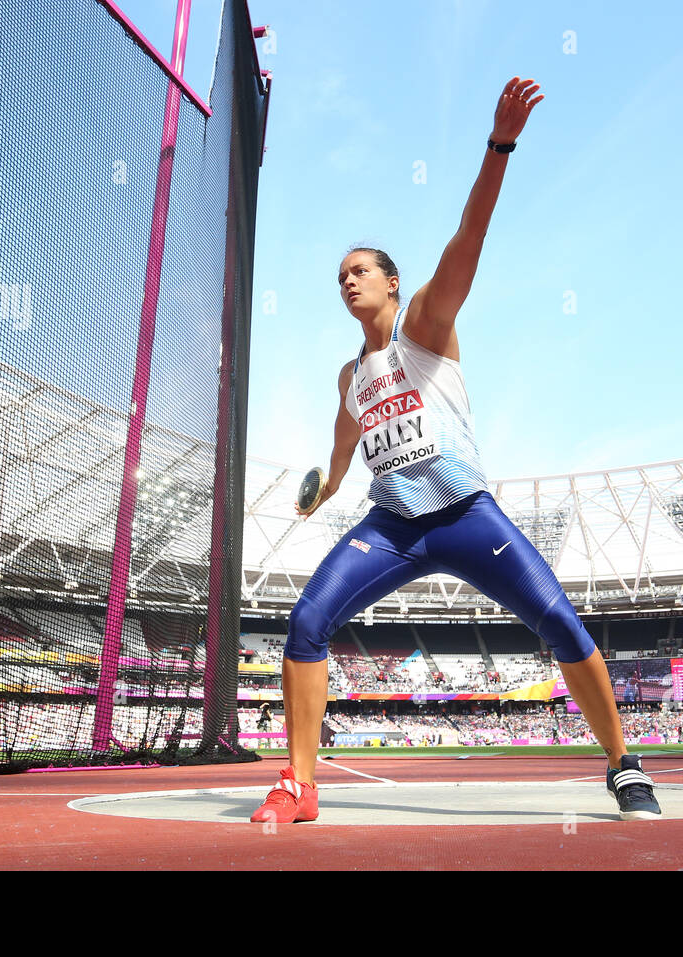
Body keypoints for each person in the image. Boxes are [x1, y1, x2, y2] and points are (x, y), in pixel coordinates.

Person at [251, 77, 660, 824]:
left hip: (467, 515)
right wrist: (323, 484)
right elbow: (343, 449)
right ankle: (301, 784)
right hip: (392, 527)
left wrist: (499, 147)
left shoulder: (427, 325)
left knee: (562, 624)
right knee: (307, 622)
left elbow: (467, 238)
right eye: (340, 277)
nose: (348, 282)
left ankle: (624, 766)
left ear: (393, 282)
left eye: (361, 271)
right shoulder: (348, 377)